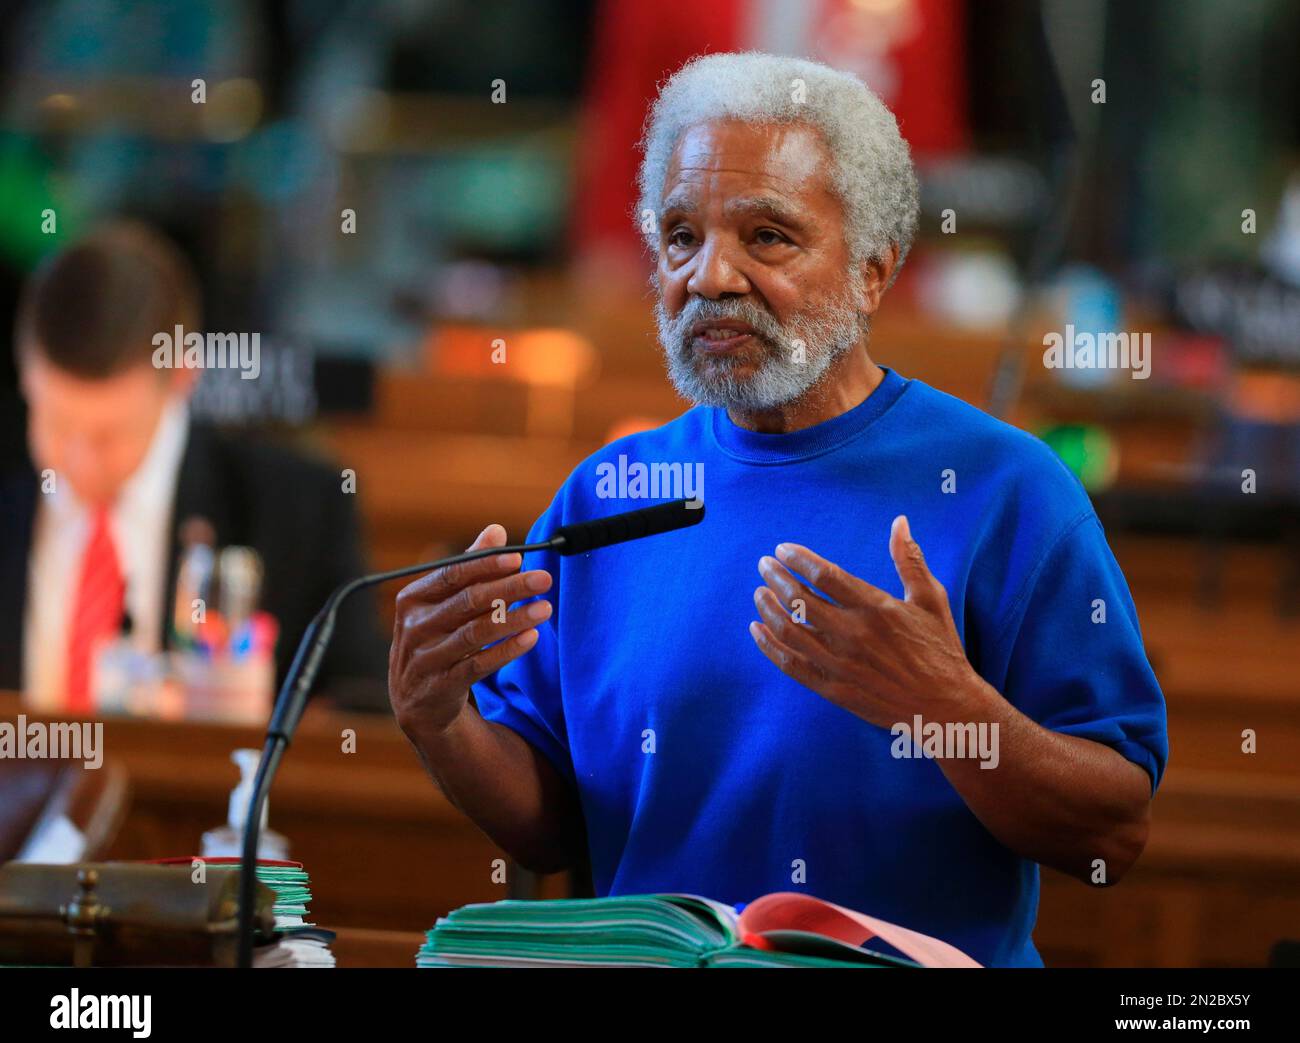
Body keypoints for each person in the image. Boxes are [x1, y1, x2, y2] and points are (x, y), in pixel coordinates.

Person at [387, 53, 1168, 967]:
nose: (709, 276)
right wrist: (440, 722)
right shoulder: (608, 493)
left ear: (874, 270)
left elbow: (1111, 837)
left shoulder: (1008, 490)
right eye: (680, 236)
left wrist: (941, 707)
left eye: (767, 238)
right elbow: (552, 830)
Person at [0, 221, 387, 711]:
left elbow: (359, 713)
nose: (77, 462)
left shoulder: (299, 512)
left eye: (108, 436)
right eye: (54, 423)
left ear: (182, 374)